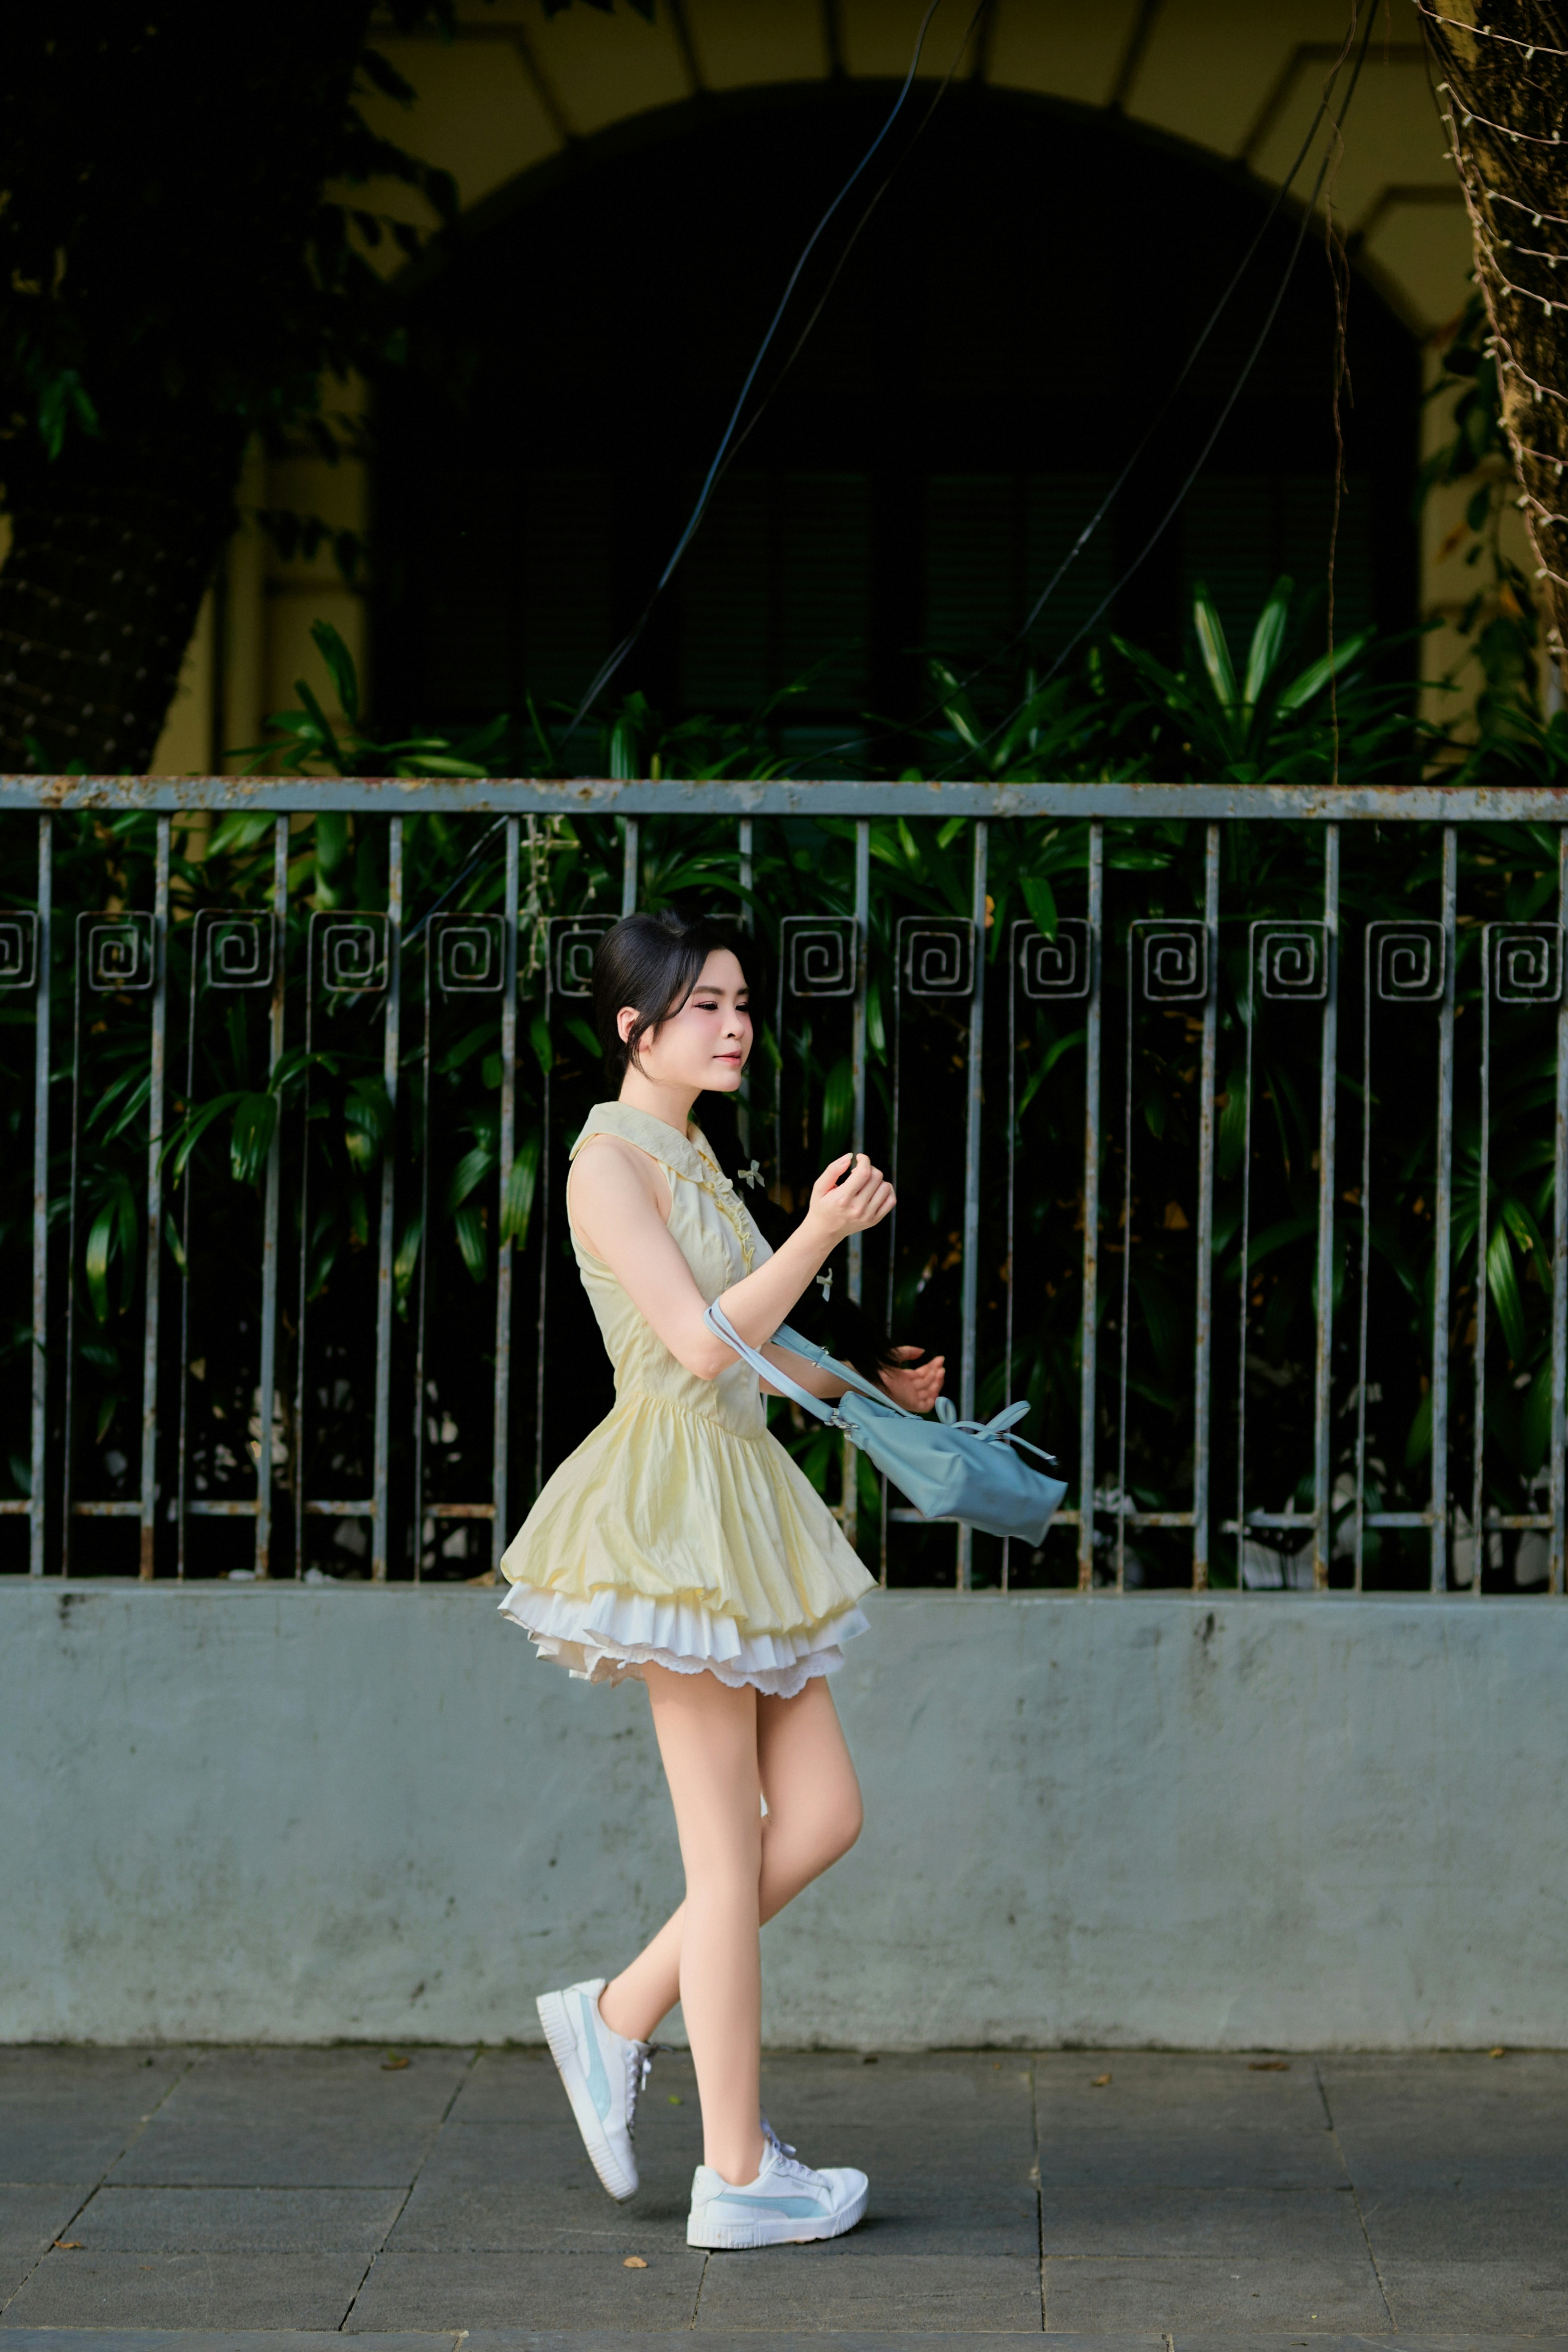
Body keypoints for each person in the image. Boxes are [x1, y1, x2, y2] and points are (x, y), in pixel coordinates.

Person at [498, 907, 944, 2252]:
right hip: (669, 1513)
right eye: (705, 1006)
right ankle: (736, 2172)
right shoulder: (606, 1165)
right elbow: (698, 1348)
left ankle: (619, 2013)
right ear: (633, 1028)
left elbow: (760, 1348)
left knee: (821, 1814)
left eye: (742, 1003)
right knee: (725, 1851)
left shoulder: (691, 1151)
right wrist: (816, 1236)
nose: (736, 1025)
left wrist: (871, 1386)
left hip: (735, 1496)